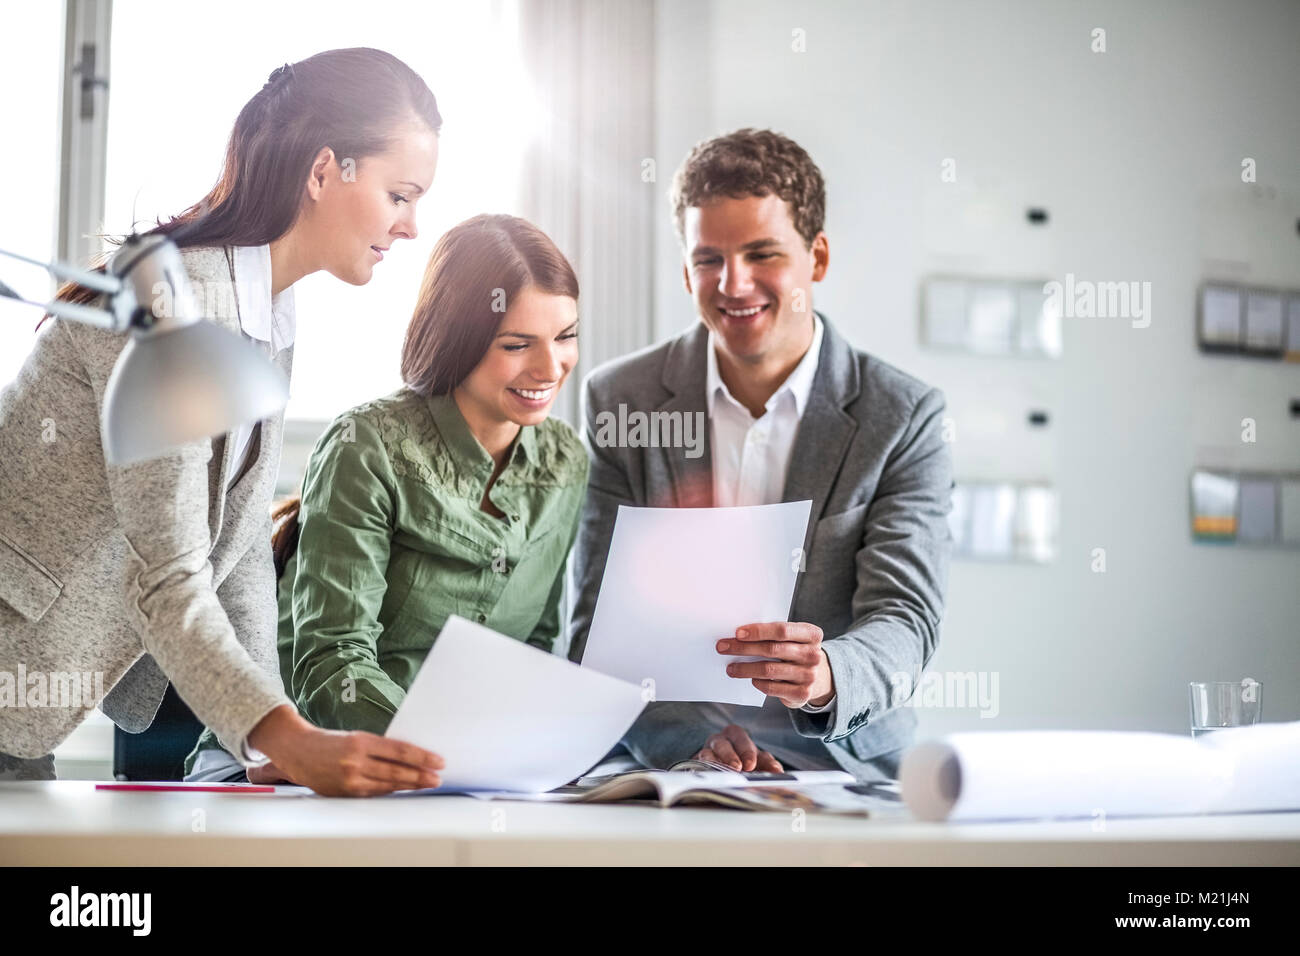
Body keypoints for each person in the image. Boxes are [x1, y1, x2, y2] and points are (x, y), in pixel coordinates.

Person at [0, 48, 446, 797]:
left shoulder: (267, 306)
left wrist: (262, 738)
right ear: (323, 171)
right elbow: (168, 574)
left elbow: (234, 546)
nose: (411, 226)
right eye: (400, 194)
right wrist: (290, 737)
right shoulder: (172, 306)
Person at [567, 128, 954, 781]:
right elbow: (595, 631)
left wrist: (828, 675)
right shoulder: (620, 400)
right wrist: (689, 745)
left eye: (761, 253)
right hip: (673, 760)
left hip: (845, 765)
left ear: (818, 258)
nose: (734, 283)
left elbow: (905, 619)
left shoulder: (904, 416)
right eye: (708, 258)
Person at [184, 214, 588, 784]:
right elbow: (333, 665)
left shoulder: (566, 462)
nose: (550, 368)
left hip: (465, 778)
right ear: (459, 339)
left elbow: (535, 652)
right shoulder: (367, 446)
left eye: (566, 336)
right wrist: (449, 758)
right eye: (517, 344)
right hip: (289, 762)